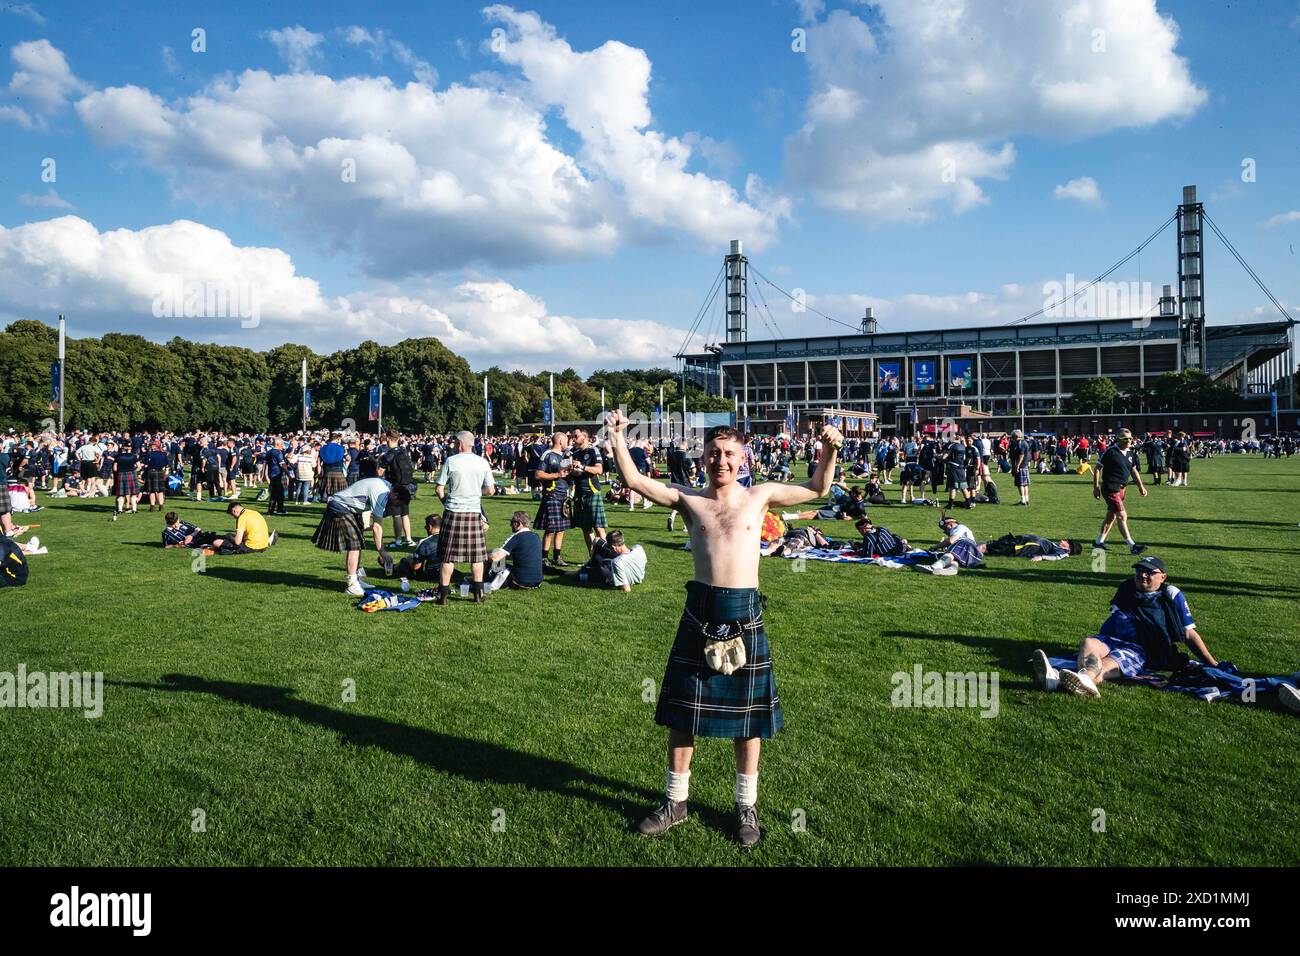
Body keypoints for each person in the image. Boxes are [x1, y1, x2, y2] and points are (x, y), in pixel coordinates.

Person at [606, 409, 843, 848]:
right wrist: (618, 437)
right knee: (683, 714)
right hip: (700, 611)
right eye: (714, 453)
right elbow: (638, 482)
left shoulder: (761, 496)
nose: (721, 461)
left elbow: (818, 487)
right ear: (703, 458)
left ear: (742, 458)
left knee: (747, 722)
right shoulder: (689, 500)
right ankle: (676, 802)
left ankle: (745, 807)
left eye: (729, 454)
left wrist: (828, 449)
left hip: (744, 612)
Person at [1036, 556, 1217, 698]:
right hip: (1112, 639)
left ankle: (1064, 680)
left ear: (1163, 577)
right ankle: (1078, 680)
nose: (1142, 574)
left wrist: (1211, 663)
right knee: (1088, 643)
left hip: (1139, 648)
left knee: (1105, 665)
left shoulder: (1171, 594)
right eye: (1139, 570)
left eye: (1149, 572)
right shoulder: (1127, 587)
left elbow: (1188, 633)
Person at [434, 430, 495, 605]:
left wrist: (446, 502)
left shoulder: (451, 461)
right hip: (473, 513)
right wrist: (477, 492)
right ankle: (478, 594)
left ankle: (443, 595)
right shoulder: (482, 462)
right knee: (477, 557)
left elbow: (439, 489)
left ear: (460, 444)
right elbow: (491, 490)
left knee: (448, 557)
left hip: (453, 513)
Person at [313, 474, 400, 596]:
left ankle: (356, 579)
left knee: (357, 543)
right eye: (396, 502)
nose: (395, 505)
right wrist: (382, 552)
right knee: (354, 545)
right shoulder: (382, 494)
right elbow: (377, 527)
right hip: (340, 506)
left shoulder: (387, 487)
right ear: (394, 494)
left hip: (348, 508)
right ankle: (352, 584)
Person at [1092, 428, 1148, 556]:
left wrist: (1141, 487)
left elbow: (1134, 471)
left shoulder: (1131, 454)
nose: (1129, 441)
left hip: (1122, 488)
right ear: (1118, 439)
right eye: (1125, 439)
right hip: (1110, 488)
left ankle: (1098, 542)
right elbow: (1097, 469)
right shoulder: (1110, 452)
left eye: (1130, 438)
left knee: (1111, 517)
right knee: (1122, 516)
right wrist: (1095, 487)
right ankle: (1132, 546)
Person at [533, 432, 572, 567]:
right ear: (560, 441)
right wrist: (557, 474)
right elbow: (538, 474)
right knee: (550, 529)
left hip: (564, 495)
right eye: (566, 441)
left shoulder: (565, 456)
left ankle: (557, 557)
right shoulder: (547, 455)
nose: (567, 443)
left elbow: (567, 473)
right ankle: (544, 558)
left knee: (561, 529)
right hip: (552, 494)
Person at [567, 529, 647, 592]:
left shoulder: (617, 563)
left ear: (613, 547)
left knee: (578, 576)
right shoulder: (639, 548)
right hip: (637, 575)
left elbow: (627, 589)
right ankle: (589, 565)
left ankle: (582, 569)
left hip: (608, 577)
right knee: (598, 542)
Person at [568, 426, 607, 552]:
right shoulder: (574, 452)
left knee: (598, 527)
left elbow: (599, 470)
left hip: (592, 492)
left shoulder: (592, 450)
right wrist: (573, 471)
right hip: (579, 493)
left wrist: (582, 467)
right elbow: (574, 472)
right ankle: (593, 558)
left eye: (575, 436)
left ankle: (606, 556)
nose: (573, 439)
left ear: (584, 437)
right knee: (585, 528)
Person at [487, 511, 545, 591]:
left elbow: (495, 558)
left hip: (520, 581)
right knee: (500, 557)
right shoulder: (536, 537)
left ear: (518, 524)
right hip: (538, 582)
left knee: (494, 561)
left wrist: (484, 555)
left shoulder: (516, 537)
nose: (510, 525)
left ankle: (480, 581)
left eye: (512, 522)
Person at [379, 431, 417, 548]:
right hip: (407, 487)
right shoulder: (403, 451)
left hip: (396, 488)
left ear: (389, 439)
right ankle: (409, 539)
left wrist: (379, 460)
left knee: (396, 515)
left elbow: (379, 472)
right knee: (405, 514)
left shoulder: (389, 454)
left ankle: (398, 540)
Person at [394, 515, 442, 581]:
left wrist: (410, 559)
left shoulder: (425, 542)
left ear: (430, 527)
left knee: (405, 561)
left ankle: (393, 568)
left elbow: (415, 567)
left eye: (426, 527)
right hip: (445, 573)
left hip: (428, 575)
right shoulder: (449, 539)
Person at [161, 512, 229, 552]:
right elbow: (166, 546)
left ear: (178, 519)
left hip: (203, 536)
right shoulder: (166, 532)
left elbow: (198, 529)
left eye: (177, 523)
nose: (176, 526)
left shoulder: (183, 522)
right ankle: (234, 547)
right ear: (168, 522)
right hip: (197, 543)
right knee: (218, 544)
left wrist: (191, 536)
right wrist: (177, 546)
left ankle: (235, 540)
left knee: (224, 537)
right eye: (173, 524)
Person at [1009, 428, 1031, 506]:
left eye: (1012, 436)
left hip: (1021, 466)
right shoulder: (1024, 442)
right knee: (1025, 484)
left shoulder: (1020, 443)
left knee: (1020, 484)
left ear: (1016, 436)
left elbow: (1021, 455)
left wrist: (1017, 466)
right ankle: (1026, 499)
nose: (1012, 438)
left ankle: (1022, 500)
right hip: (1024, 465)